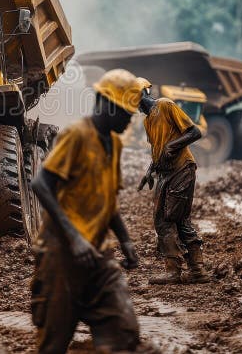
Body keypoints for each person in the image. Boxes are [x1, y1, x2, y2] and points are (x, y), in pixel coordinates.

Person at [30, 69, 143, 354]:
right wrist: (75, 238)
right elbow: (41, 183)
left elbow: (108, 200)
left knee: (124, 331)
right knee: (53, 344)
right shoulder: (76, 135)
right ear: (105, 103)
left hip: (98, 256)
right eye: (125, 112)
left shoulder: (114, 144)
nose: (129, 119)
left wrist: (126, 241)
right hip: (62, 254)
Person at [137, 81, 208, 284]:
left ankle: (191, 270)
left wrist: (173, 146)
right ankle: (185, 269)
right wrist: (149, 172)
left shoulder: (166, 105)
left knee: (175, 218)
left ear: (144, 93)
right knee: (162, 220)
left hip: (182, 169)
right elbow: (158, 149)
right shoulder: (147, 121)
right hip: (165, 173)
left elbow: (195, 132)